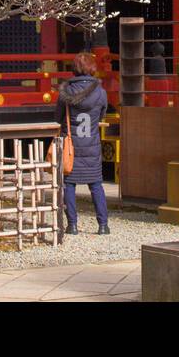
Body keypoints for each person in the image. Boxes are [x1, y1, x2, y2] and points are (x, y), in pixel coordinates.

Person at [57, 51, 109, 234]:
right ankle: (103, 225)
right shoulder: (101, 93)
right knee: (96, 185)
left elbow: (58, 117)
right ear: (92, 68)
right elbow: (102, 114)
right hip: (92, 144)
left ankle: (72, 225)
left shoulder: (66, 92)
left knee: (69, 185)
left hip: (71, 146)